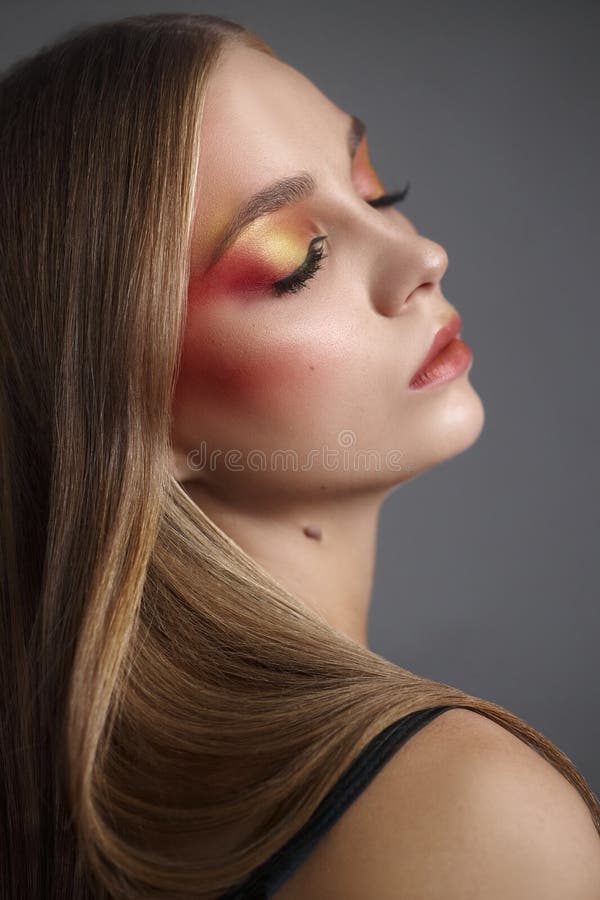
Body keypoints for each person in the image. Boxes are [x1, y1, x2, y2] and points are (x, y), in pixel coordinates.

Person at [0, 12, 598, 900]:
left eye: (376, 192)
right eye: (300, 260)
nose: (422, 256)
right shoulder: (468, 813)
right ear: (118, 412)